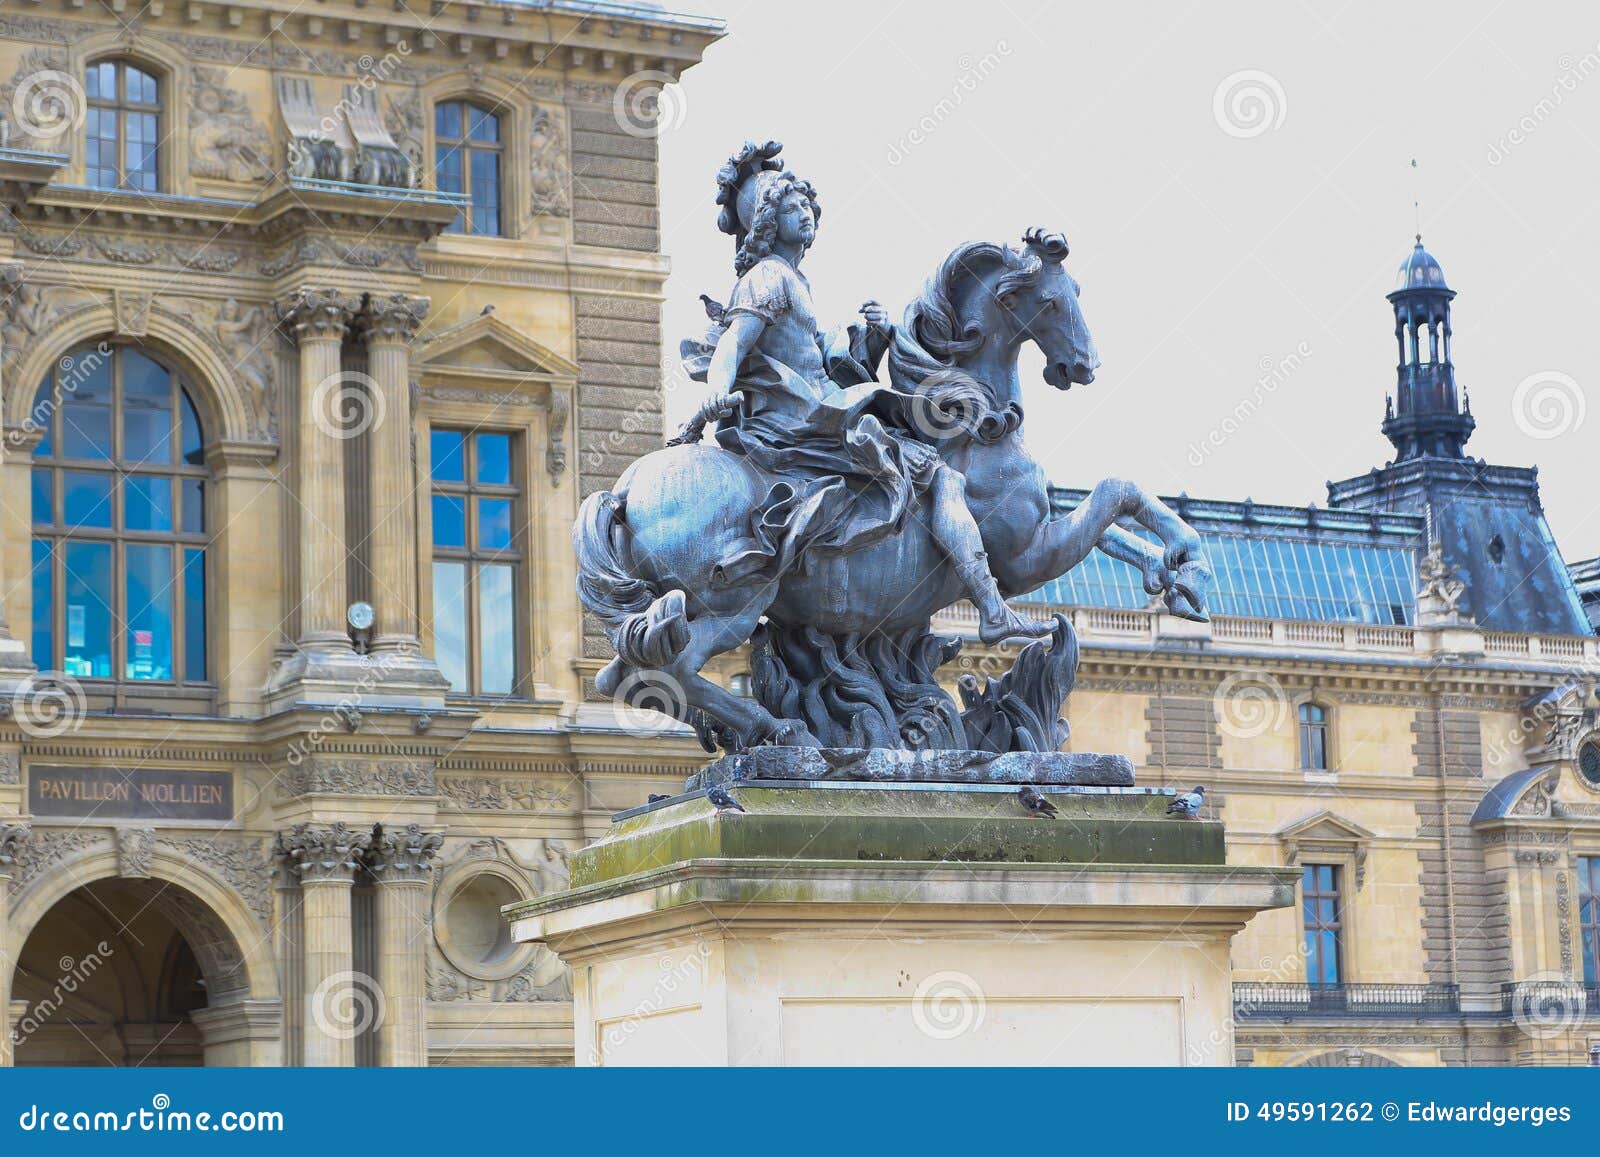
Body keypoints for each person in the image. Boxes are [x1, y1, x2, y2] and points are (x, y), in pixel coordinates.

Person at [675, 141, 1049, 644]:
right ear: (767, 222)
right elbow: (734, 343)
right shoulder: (768, 277)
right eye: (791, 207)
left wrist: (873, 335)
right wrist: (715, 394)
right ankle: (992, 607)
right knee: (941, 475)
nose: (805, 214)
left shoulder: (795, 280)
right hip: (802, 418)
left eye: (807, 205)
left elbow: (820, 355)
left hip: (816, 406)